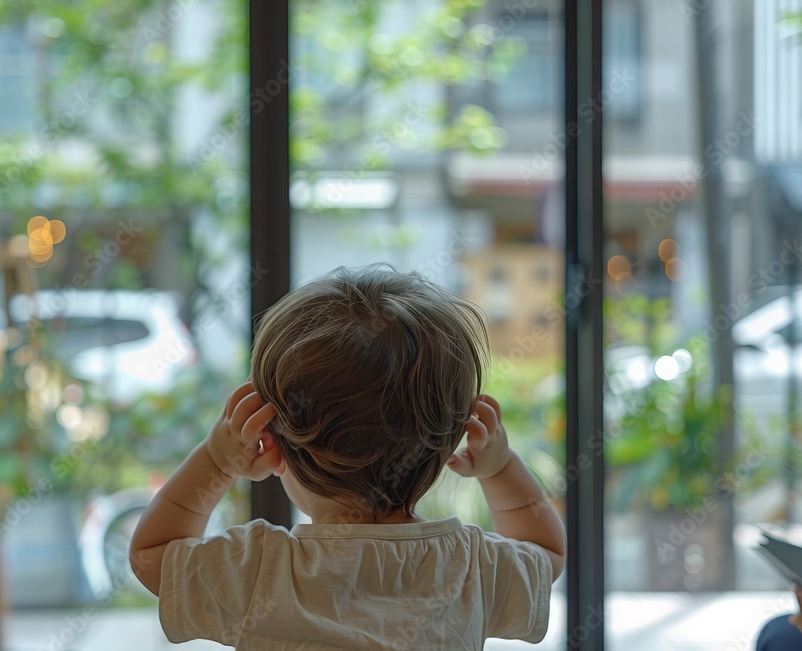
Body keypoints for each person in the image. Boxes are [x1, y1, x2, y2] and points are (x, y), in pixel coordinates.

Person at [129, 265, 566, 650]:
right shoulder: (469, 568)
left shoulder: (262, 571)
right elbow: (546, 555)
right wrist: (501, 468)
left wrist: (217, 460)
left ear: (273, 443)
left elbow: (152, 556)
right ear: (450, 441)